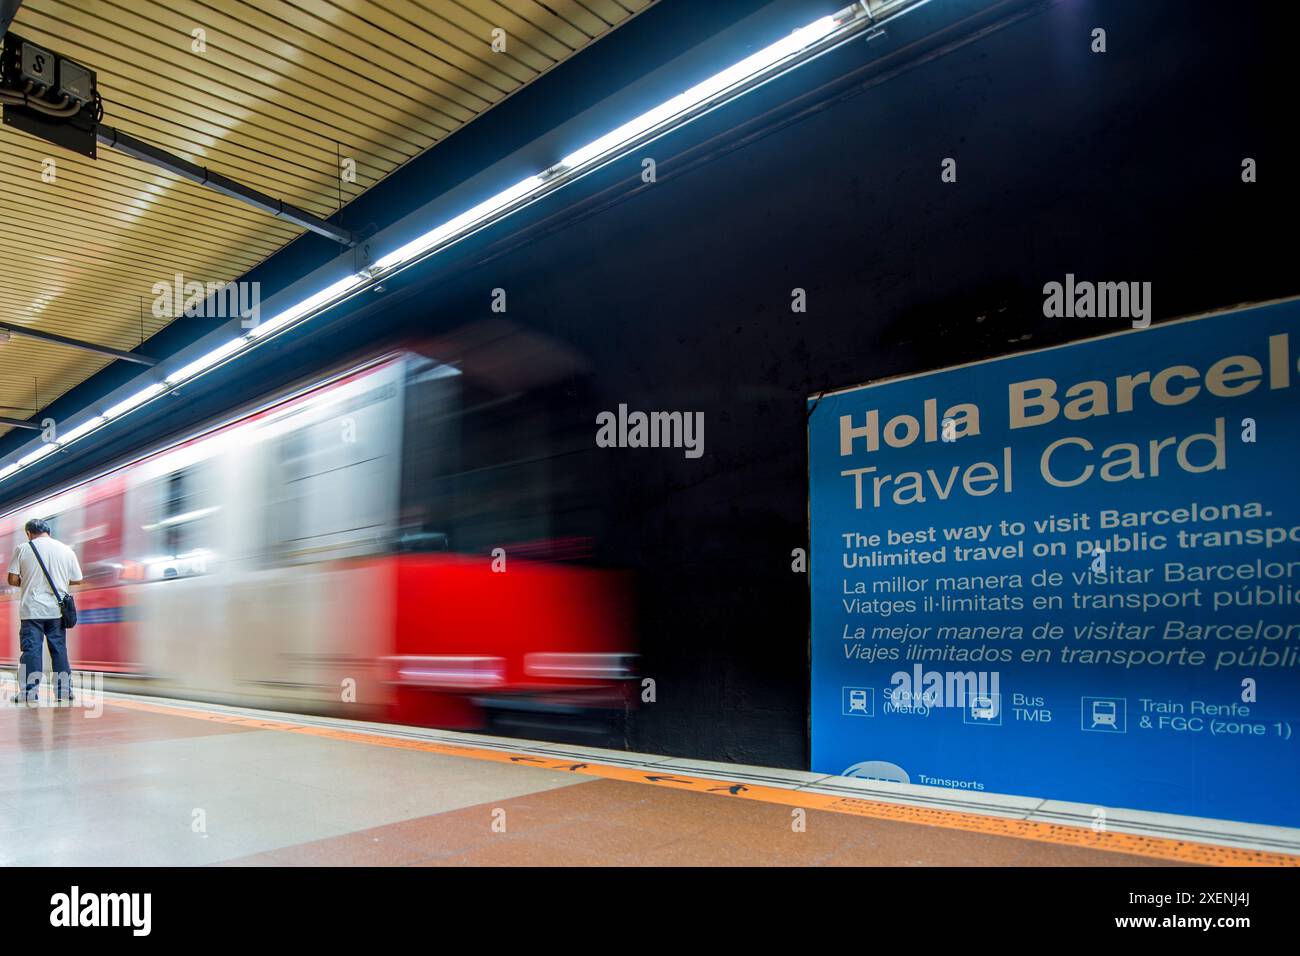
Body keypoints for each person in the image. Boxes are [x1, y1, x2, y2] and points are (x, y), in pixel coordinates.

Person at [7, 518, 82, 703]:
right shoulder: (66, 549)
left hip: (32, 611)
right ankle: (64, 691)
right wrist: (60, 582)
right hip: (57, 611)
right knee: (59, 650)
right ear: (48, 532)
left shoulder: (23, 548)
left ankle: (28, 693)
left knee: (31, 651)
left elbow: (12, 579)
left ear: (29, 533)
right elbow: (77, 579)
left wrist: (30, 581)